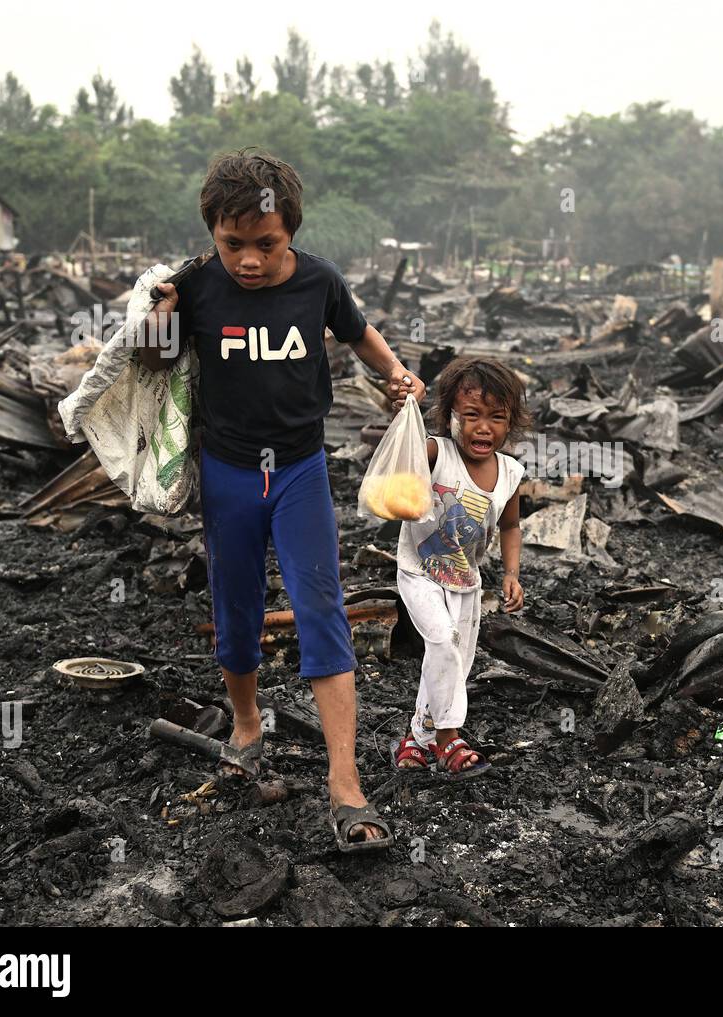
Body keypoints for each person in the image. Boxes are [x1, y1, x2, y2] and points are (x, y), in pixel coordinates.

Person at [140, 148, 425, 852]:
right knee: (234, 613)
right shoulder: (198, 286)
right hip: (229, 473)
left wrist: (397, 376)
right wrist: (161, 316)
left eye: (265, 245)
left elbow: (361, 337)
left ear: (289, 230)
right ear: (213, 233)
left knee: (321, 608)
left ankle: (344, 780)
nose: (249, 261)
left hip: (298, 472)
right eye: (232, 243)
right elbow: (150, 361)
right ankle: (245, 726)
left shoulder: (319, 283)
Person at [390, 357, 529, 779]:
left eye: (496, 418)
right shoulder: (437, 453)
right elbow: (408, 441)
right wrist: (403, 409)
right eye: (471, 416)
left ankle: (417, 737)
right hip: (419, 569)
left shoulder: (510, 473)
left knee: (452, 659)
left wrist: (510, 573)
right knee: (443, 641)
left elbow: (511, 525)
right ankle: (449, 737)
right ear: (450, 416)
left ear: (511, 423)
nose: (483, 428)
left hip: (466, 581)